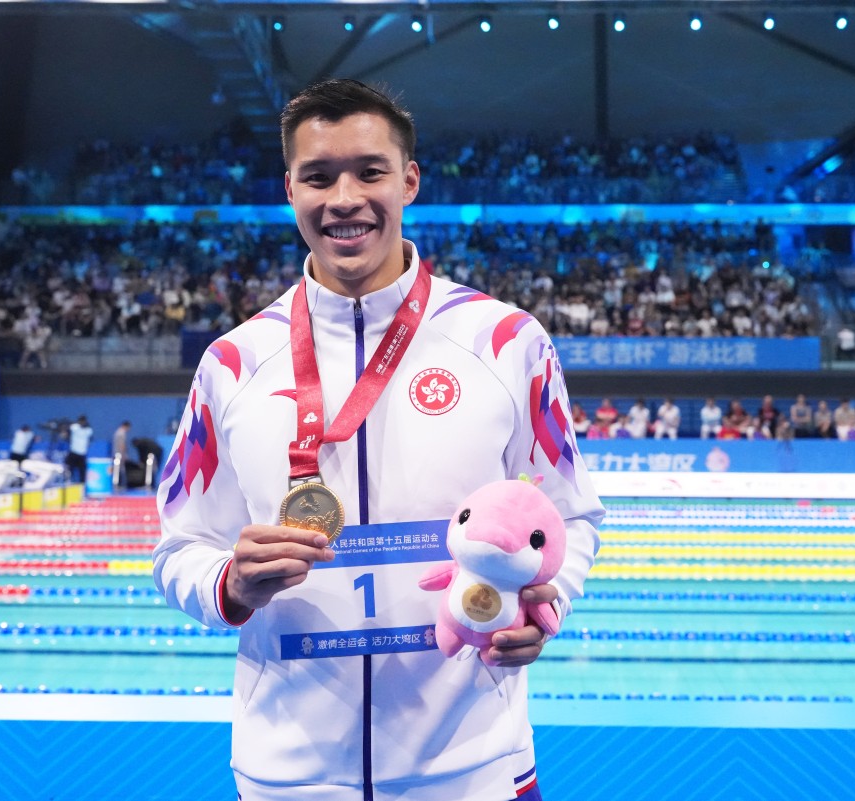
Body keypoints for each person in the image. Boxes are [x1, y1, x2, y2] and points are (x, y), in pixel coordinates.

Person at [154, 79, 603, 801]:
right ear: (290, 189)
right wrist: (230, 584)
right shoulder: (231, 365)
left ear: (409, 180)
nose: (344, 198)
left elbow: (570, 514)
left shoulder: (506, 341)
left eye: (369, 171)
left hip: (474, 768)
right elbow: (179, 547)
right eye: (319, 175)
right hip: (290, 775)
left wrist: (547, 601)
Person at [66, 414, 92, 483]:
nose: (82, 423)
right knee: (70, 469)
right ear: (78, 421)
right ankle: (69, 482)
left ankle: (82, 485)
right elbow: (67, 432)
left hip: (82, 453)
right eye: (81, 421)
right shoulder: (74, 427)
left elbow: (90, 438)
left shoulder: (88, 430)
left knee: (82, 471)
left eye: (84, 421)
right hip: (73, 452)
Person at [111, 420, 132, 489]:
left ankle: (117, 485)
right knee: (120, 470)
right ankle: (119, 485)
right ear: (126, 426)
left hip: (115, 453)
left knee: (117, 469)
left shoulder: (117, 432)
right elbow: (122, 445)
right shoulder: (122, 433)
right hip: (120, 454)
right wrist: (124, 454)